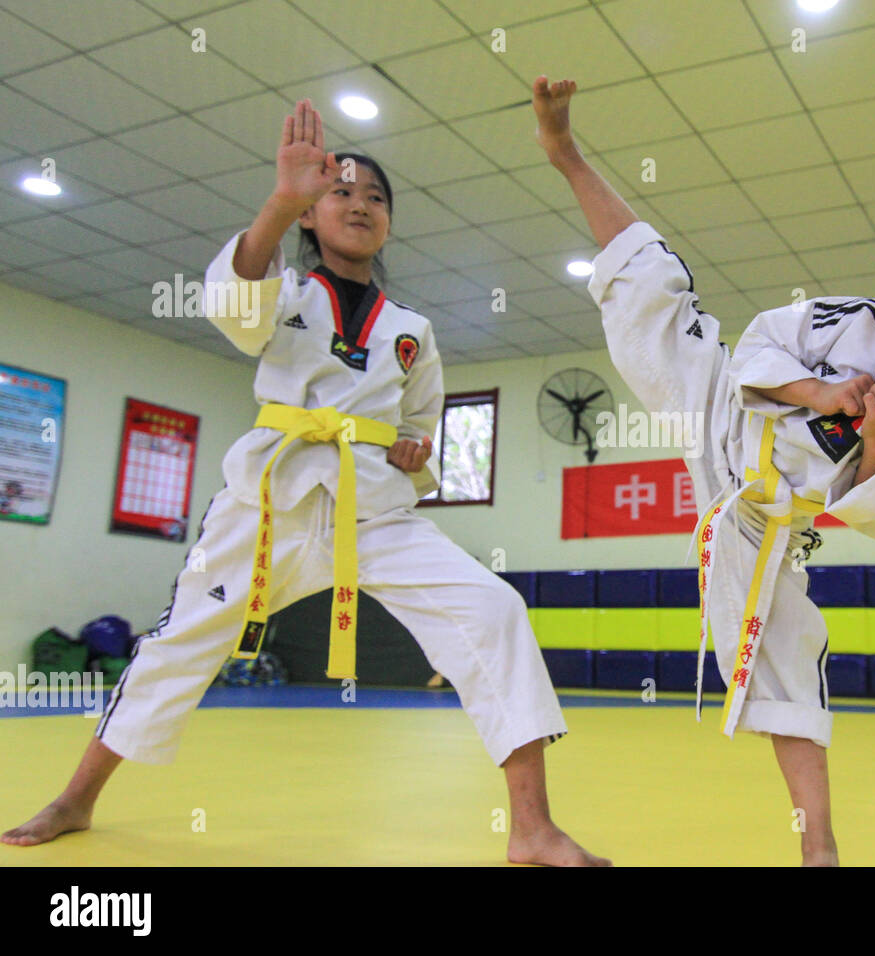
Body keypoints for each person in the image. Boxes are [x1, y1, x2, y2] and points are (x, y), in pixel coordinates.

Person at [4, 99, 609, 867]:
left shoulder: (411, 329)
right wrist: (280, 198)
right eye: (341, 191)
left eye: (376, 197)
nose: (360, 204)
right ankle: (76, 798)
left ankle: (532, 827)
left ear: (389, 223)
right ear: (311, 216)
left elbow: (422, 419)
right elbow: (230, 304)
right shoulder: (283, 291)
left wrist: (417, 448)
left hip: (376, 517)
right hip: (268, 508)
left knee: (494, 608)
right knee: (175, 648)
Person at [532, 76, 875, 866]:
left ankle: (818, 846)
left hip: (768, 513)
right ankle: (567, 156)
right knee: (656, 294)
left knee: (792, 657)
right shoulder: (856, 321)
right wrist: (821, 391)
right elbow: (757, 345)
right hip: (719, 412)